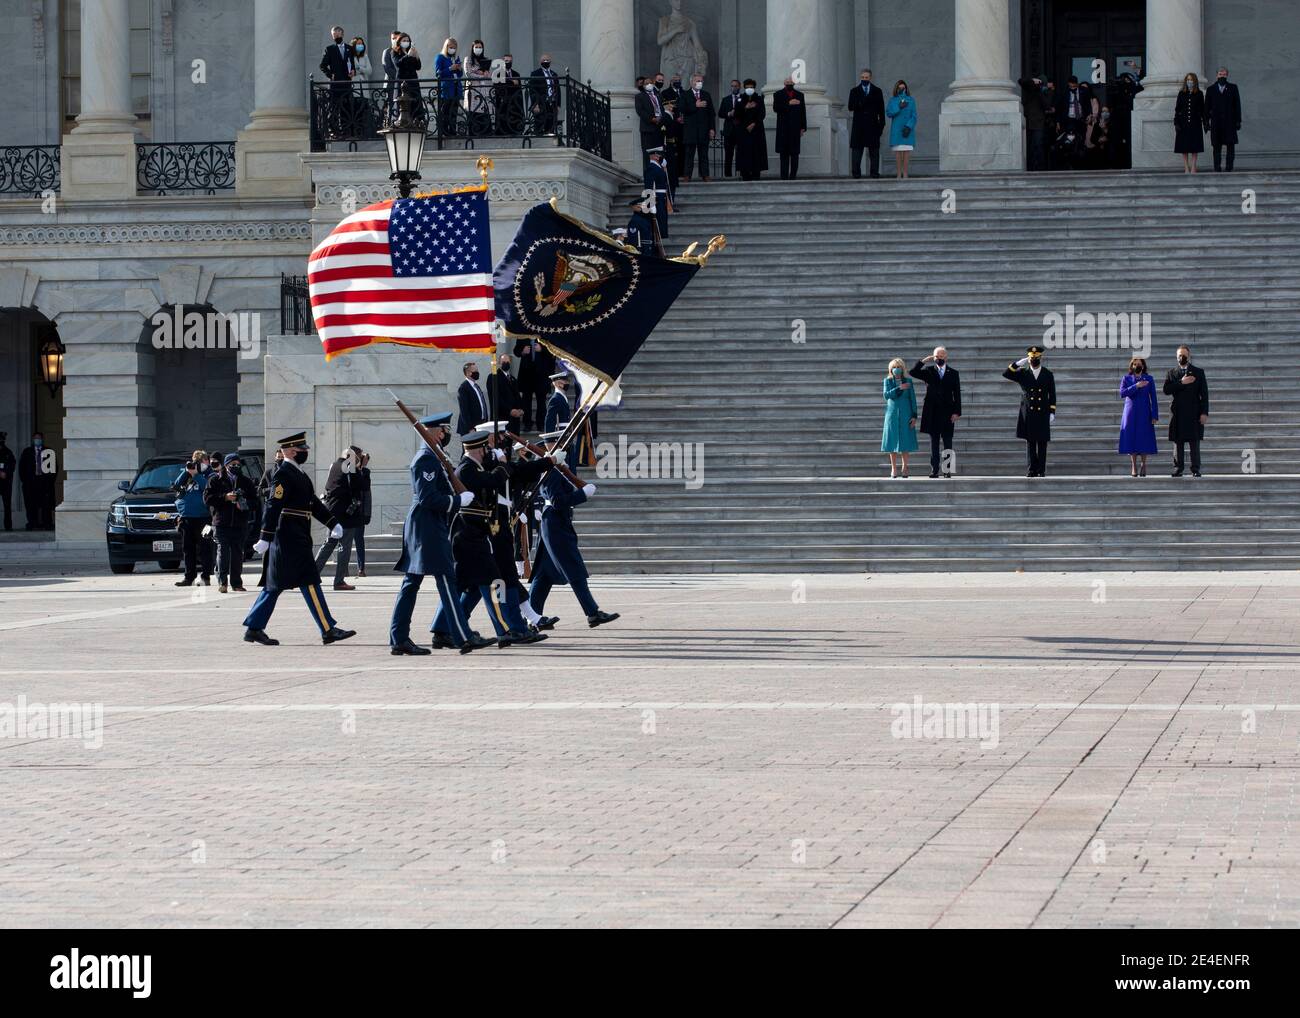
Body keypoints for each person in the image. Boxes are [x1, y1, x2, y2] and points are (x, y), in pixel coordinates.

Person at [389, 413, 491, 655]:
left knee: (412, 583)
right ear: (434, 431)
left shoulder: (435, 457)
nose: (446, 434)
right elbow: (428, 498)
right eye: (444, 430)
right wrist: (456, 501)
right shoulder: (425, 459)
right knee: (446, 579)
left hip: (427, 524)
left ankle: (399, 638)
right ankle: (462, 636)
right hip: (427, 526)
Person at [242, 433, 354, 646]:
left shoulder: (298, 474)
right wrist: (265, 537)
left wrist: (332, 522)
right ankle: (328, 628)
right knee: (309, 579)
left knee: (274, 585)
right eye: (303, 450)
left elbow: (312, 503)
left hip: (296, 534)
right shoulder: (283, 474)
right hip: (288, 536)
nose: (306, 453)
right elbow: (274, 505)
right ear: (293, 451)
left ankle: (254, 628)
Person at [445, 429, 539, 648]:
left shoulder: (474, 466)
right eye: (486, 448)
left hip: (477, 534)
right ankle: (507, 630)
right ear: (479, 449)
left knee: (469, 588)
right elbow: (491, 481)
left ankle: (444, 628)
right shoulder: (467, 469)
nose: (488, 451)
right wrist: (503, 464)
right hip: (467, 536)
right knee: (491, 583)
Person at [527, 467, 619, 628]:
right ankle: (592, 613)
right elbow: (558, 501)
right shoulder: (552, 472)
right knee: (574, 569)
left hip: (554, 523)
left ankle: (531, 619)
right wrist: (582, 494)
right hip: (556, 525)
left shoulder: (557, 469)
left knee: (544, 574)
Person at [203, 452, 260, 592]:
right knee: (223, 552)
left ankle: (236, 583)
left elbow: (256, 502)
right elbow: (207, 499)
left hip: (239, 523)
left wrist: (245, 503)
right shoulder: (215, 480)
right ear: (226, 465)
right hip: (221, 522)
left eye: (237, 464)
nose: (235, 466)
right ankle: (223, 582)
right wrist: (225, 498)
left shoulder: (246, 481)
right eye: (232, 464)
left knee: (237, 554)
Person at [314, 447, 365, 590]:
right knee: (344, 547)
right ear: (350, 457)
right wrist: (360, 468)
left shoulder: (335, 465)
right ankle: (339, 581)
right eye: (356, 457)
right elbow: (360, 485)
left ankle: (312, 574)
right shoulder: (349, 466)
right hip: (345, 514)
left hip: (332, 511)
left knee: (328, 544)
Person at [1003, 346, 1056, 477]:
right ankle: (1032, 469)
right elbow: (1006, 373)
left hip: (1043, 411)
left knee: (1042, 442)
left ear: (1040, 358)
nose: (1034, 360)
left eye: (1036, 358)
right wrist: (1016, 364)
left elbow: (1052, 394)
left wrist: (1052, 412)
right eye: (1031, 358)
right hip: (1029, 411)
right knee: (1031, 442)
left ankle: (1041, 470)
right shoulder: (1023, 373)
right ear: (1028, 359)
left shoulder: (1048, 374)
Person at [909, 347, 962, 478]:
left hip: (948, 412)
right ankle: (934, 470)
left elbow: (957, 394)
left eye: (942, 355)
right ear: (934, 357)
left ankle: (947, 470)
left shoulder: (954, 373)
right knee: (934, 443)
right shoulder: (929, 371)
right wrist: (923, 361)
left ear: (946, 357)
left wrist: (957, 412)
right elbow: (913, 372)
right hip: (932, 412)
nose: (940, 358)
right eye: (937, 356)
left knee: (948, 442)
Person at [1163, 346, 1209, 477]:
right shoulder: (1171, 373)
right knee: (1178, 442)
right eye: (1179, 355)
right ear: (1176, 357)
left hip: (1194, 412)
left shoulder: (1198, 372)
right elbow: (1166, 390)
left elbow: (1204, 394)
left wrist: (1204, 412)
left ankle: (1195, 468)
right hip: (1177, 412)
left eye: (1183, 355)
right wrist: (1181, 383)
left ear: (1189, 356)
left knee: (1194, 441)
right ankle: (1178, 468)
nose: (1181, 357)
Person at [172, 452, 213, 586]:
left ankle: (206, 576)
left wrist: (197, 474)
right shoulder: (188, 474)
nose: (196, 464)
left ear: (206, 461)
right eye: (195, 461)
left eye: (200, 461)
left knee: (205, 548)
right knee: (188, 549)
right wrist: (187, 471)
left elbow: (207, 487)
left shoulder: (210, 474)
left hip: (204, 518)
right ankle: (189, 577)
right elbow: (177, 485)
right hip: (187, 518)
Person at [1118, 357, 1159, 478]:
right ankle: (1134, 465)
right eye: (1135, 364)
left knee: (1144, 438)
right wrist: (1136, 386)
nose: (1137, 366)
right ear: (1131, 366)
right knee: (1132, 438)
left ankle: (1143, 464)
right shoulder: (1126, 378)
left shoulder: (1149, 379)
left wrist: (1154, 414)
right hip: (1130, 413)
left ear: (1143, 366)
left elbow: (1154, 398)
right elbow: (1122, 393)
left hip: (1144, 412)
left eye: (1139, 364)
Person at [881, 358, 919, 478]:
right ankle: (893, 468)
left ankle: (905, 467)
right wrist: (899, 388)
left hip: (906, 414)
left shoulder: (908, 381)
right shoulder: (887, 381)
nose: (896, 369)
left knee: (905, 441)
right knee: (892, 441)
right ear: (890, 369)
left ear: (902, 369)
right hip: (891, 415)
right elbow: (886, 395)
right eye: (894, 367)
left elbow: (912, 399)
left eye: (898, 367)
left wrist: (914, 415)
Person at [319, 25, 356, 139]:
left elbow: (352, 63)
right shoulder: (329, 49)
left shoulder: (349, 48)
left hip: (347, 82)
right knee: (334, 107)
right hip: (335, 83)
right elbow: (322, 65)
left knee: (347, 106)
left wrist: (353, 71)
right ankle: (334, 130)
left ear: (342, 34)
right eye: (334, 35)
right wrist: (330, 74)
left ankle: (346, 130)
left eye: (338, 34)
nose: (336, 36)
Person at [848, 69, 886, 179]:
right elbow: (850, 106)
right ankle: (856, 174)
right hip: (858, 126)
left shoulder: (877, 91)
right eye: (863, 77)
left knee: (874, 151)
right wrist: (861, 101)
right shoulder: (854, 91)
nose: (864, 79)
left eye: (866, 77)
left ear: (870, 78)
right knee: (856, 151)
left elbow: (881, 110)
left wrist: (881, 125)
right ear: (860, 77)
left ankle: (874, 173)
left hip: (873, 126)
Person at [513, 336, 555, 433]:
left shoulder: (544, 334)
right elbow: (516, 351)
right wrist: (522, 351)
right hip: (526, 373)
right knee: (526, 400)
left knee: (541, 401)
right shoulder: (522, 335)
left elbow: (553, 350)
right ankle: (527, 423)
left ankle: (540, 423)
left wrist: (542, 349)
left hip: (541, 374)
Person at [1204, 67, 1242, 172]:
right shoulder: (1210, 89)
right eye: (1220, 74)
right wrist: (1206, 122)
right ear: (1217, 75)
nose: (1222, 76)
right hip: (1216, 123)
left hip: (1230, 122)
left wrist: (1238, 120)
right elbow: (1206, 107)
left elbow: (1237, 105)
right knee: (1216, 146)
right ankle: (1217, 167)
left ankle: (1229, 167)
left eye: (1224, 74)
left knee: (1230, 146)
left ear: (1227, 75)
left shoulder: (1233, 88)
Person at [680, 72, 714, 182]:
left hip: (703, 130)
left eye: (701, 81)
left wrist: (712, 129)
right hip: (690, 130)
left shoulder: (706, 95)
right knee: (689, 154)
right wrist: (695, 105)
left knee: (703, 154)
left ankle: (705, 175)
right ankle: (687, 175)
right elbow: (682, 109)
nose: (699, 83)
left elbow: (711, 113)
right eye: (697, 81)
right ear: (691, 82)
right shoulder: (685, 94)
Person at [18, 431, 55, 530]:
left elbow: (54, 468)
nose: (37, 440)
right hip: (30, 483)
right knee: (30, 504)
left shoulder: (48, 451)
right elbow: (21, 467)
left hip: (44, 483)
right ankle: (32, 523)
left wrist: (49, 481)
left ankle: (46, 523)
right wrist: (25, 481)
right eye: (35, 438)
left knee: (45, 504)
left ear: (42, 440)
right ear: (33, 440)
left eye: (39, 438)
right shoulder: (27, 451)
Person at [773, 76, 807, 180]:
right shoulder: (777, 94)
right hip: (783, 128)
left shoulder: (800, 95)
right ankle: (784, 177)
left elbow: (803, 112)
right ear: (784, 83)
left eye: (791, 82)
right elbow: (776, 108)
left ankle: (793, 176)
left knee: (795, 153)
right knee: (783, 154)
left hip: (795, 128)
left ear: (794, 83)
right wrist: (789, 103)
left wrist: (803, 127)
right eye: (787, 82)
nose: (789, 83)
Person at [734, 80, 768, 181]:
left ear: (754, 88)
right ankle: (745, 174)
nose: (749, 89)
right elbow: (736, 115)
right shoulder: (740, 99)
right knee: (745, 152)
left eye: (751, 87)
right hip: (744, 131)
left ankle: (756, 173)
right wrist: (745, 107)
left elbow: (762, 114)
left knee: (756, 152)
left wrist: (754, 123)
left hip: (756, 130)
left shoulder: (759, 99)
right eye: (747, 87)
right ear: (744, 88)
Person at [1174, 72, 1206, 173]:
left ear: (1195, 81)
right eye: (1188, 80)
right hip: (1183, 123)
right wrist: (1176, 122)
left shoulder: (1199, 93)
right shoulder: (1181, 93)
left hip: (1195, 122)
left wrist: (1205, 122)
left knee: (1194, 145)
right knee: (1184, 146)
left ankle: (1193, 166)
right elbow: (1177, 109)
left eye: (1191, 80)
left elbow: (1202, 109)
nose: (1189, 82)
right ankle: (1186, 166)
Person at [635, 77, 668, 173]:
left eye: (650, 83)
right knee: (647, 153)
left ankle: (660, 171)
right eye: (646, 83)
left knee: (659, 152)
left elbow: (662, 108)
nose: (649, 85)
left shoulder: (658, 95)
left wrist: (661, 118)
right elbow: (640, 111)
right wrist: (652, 119)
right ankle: (649, 174)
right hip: (647, 128)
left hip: (659, 127)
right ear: (643, 85)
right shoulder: (640, 96)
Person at [487, 354, 525, 435]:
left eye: (508, 362)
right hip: (502, 418)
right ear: (499, 363)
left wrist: (520, 409)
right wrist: (510, 411)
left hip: (514, 420)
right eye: (503, 362)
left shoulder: (513, 378)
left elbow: (517, 396)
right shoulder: (493, 377)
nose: (506, 363)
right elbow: (496, 398)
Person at [389, 32, 422, 122]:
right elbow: (398, 64)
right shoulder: (394, 52)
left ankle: (416, 121)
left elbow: (418, 67)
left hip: (413, 82)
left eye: (408, 41)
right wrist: (408, 56)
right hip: (402, 83)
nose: (406, 42)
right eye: (404, 40)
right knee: (403, 106)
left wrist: (416, 56)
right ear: (399, 42)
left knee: (415, 104)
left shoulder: (410, 50)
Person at [886, 80, 917, 179]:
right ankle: (899, 173)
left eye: (903, 88)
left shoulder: (911, 100)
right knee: (898, 153)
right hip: (896, 129)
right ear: (896, 88)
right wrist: (898, 107)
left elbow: (914, 115)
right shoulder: (893, 100)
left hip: (907, 129)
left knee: (906, 152)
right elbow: (889, 113)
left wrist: (909, 126)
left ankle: (905, 173)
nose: (902, 90)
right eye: (900, 88)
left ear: (906, 89)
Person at [463, 39, 494, 136]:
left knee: (484, 113)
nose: (478, 49)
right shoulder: (468, 59)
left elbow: (490, 75)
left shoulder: (486, 59)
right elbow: (468, 74)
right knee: (474, 112)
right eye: (476, 47)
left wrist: (486, 74)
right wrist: (480, 73)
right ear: (472, 48)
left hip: (485, 91)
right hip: (474, 91)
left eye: (480, 47)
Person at [1019, 75, 1049, 171]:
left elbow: (1046, 105)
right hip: (1028, 122)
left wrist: (1040, 91)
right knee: (1029, 146)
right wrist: (1032, 80)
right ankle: (1030, 167)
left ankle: (1040, 167)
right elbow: (1020, 81)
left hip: (1038, 123)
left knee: (1038, 145)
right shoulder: (1029, 88)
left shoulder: (1043, 92)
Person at [433, 37, 462, 135]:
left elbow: (459, 75)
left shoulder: (455, 58)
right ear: (446, 47)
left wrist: (459, 69)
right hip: (446, 89)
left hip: (456, 88)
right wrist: (450, 68)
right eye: (450, 47)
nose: (452, 49)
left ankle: (453, 131)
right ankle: (444, 132)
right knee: (445, 112)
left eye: (454, 47)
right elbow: (438, 74)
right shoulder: (440, 57)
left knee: (454, 112)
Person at [644, 147, 673, 239]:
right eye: (659, 155)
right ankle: (659, 239)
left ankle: (662, 237)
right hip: (657, 197)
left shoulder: (657, 167)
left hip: (662, 196)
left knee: (662, 219)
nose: (660, 157)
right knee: (659, 219)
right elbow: (649, 186)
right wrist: (650, 203)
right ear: (654, 156)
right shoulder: (651, 168)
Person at [717, 79, 743, 177]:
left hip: (740, 130)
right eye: (732, 86)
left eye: (736, 86)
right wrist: (728, 113)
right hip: (729, 131)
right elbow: (720, 113)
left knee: (741, 154)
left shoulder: (743, 98)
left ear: (739, 86)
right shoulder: (726, 99)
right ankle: (728, 175)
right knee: (728, 154)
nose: (734, 88)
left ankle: (740, 173)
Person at [457, 360, 489, 436]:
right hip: (471, 429)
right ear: (468, 373)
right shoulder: (463, 388)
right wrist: (470, 428)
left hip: (480, 425)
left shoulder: (476, 386)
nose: (477, 373)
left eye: (477, 370)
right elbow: (464, 410)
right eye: (475, 371)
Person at [531, 53, 561, 135]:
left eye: (547, 60)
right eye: (544, 60)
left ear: (550, 62)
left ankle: (550, 137)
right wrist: (535, 104)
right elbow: (532, 90)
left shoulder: (554, 74)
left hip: (552, 102)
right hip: (540, 103)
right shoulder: (535, 74)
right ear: (540, 62)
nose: (546, 62)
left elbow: (558, 90)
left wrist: (558, 105)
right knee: (540, 124)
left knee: (551, 125)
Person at [355, 451, 371, 577]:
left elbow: (367, 495)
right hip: (349, 513)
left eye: (366, 460)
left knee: (359, 541)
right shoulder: (349, 470)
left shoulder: (365, 473)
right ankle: (344, 568)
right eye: (363, 459)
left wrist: (367, 514)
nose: (365, 461)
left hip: (360, 514)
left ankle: (361, 568)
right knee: (345, 541)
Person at [544, 371, 572, 435]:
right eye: (565, 381)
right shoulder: (555, 399)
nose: (567, 383)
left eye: (567, 381)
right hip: (559, 433)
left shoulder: (562, 397)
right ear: (557, 384)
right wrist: (550, 438)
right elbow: (550, 421)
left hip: (565, 432)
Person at [0, 431, 15, 530]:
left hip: (6, 483)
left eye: (2, 440)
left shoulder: (8, 452)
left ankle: (8, 526)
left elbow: (12, 464)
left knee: (7, 505)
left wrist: (6, 472)